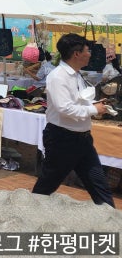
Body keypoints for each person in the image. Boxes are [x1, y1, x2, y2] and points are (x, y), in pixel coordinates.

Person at [32, 33, 115, 206]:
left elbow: (78, 101)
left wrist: (95, 105)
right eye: (87, 50)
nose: (90, 54)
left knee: (99, 186)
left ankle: (112, 218)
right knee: (47, 185)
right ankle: (27, 211)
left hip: (83, 139)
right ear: (77, 54)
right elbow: (64, 108)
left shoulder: (77, 75)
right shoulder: (58, 76)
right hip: (62, 140)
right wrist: (94, 109)